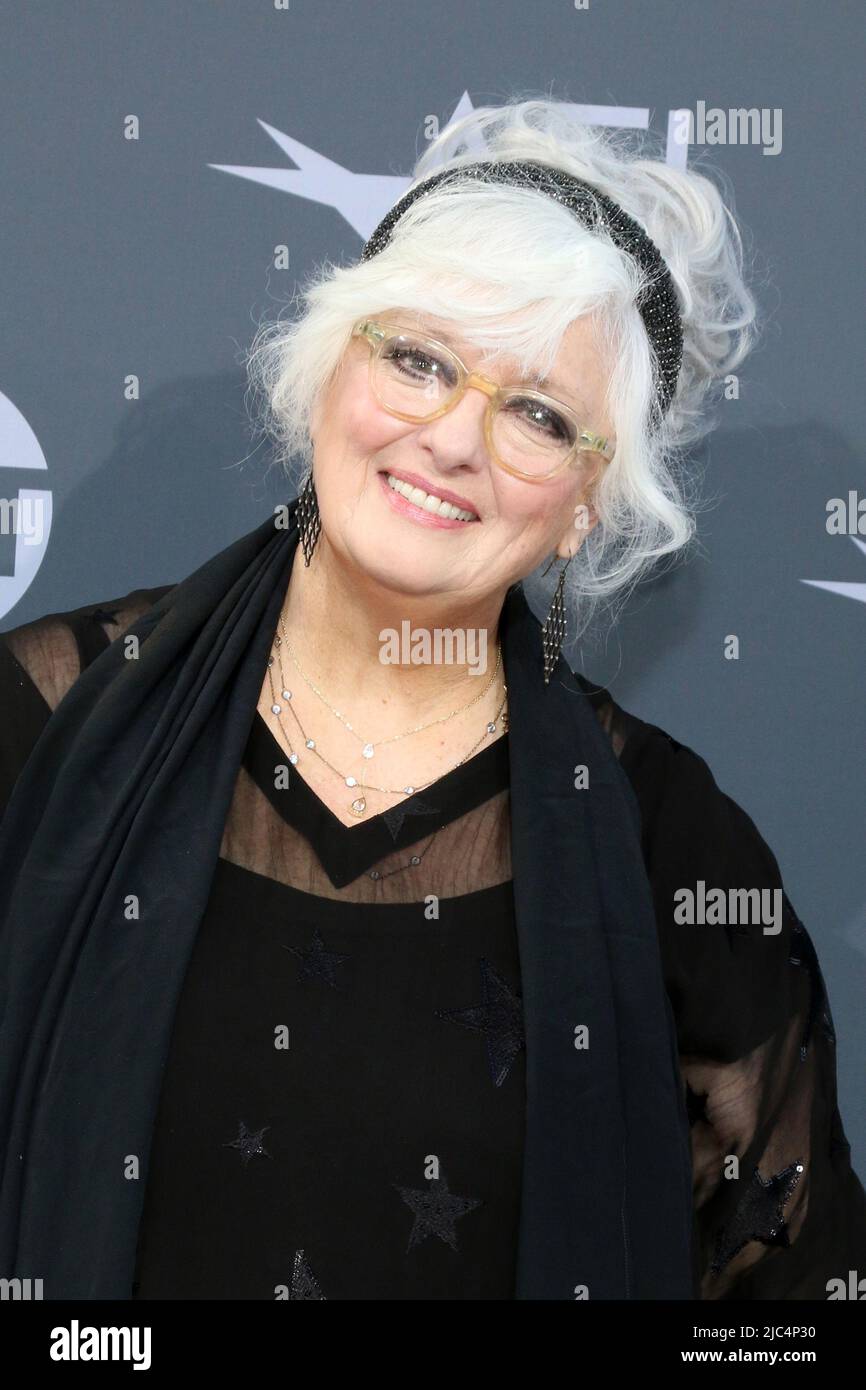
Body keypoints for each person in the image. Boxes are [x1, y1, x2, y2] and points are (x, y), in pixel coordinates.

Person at [1, 98, 864, 1302]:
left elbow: (785, 1298)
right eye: (416, 358)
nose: (453, 437)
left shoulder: (670, 845)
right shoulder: (42, 721)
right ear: (324, 369)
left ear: (585, 507)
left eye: (538, 415)